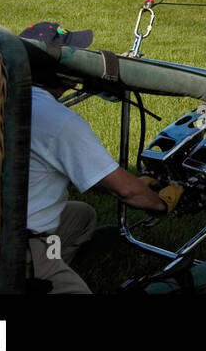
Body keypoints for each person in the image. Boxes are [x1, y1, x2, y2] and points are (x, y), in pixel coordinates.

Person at [23, 23, 180, 293]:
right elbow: (127, 191)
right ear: (56, 69)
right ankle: (34, 278)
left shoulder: (2, 95)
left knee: (81, 215)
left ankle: (45, 267)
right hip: (17, 243)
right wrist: (161, 204)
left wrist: (129, 183)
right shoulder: (58, 121)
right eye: (72, 56)